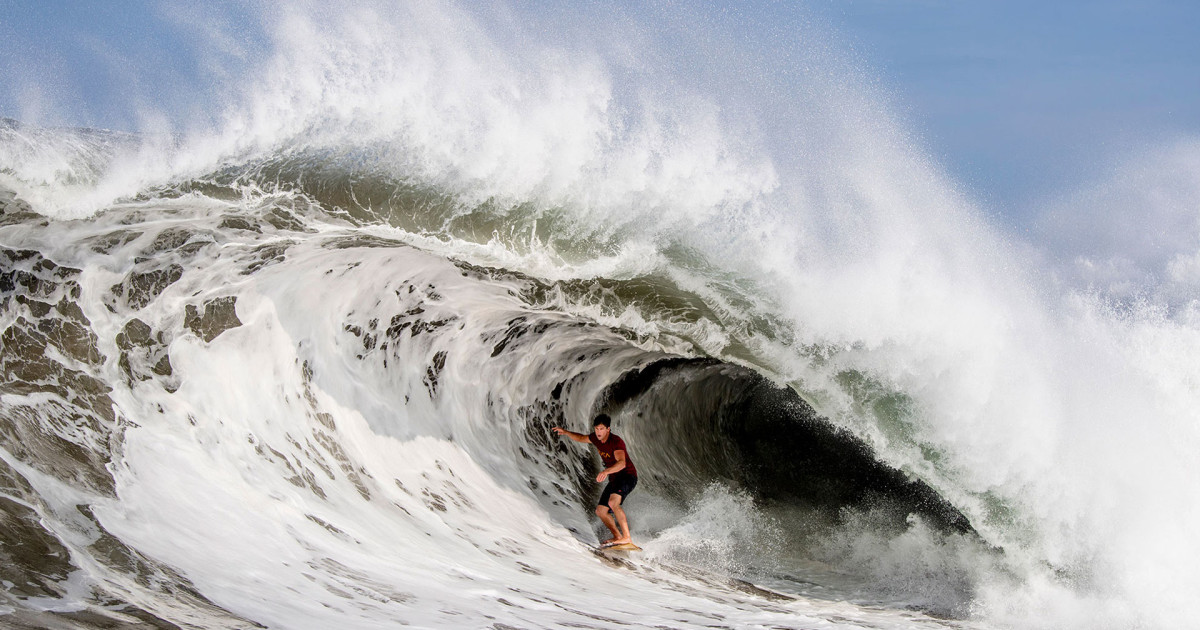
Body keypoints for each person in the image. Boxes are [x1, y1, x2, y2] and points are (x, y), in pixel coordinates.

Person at [552, 414, 638, 547]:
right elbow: (581, 437)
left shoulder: (616, 442)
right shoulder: (596, 438)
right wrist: (566, 432)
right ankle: (617, 536)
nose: (598, 432)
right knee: (601, 511)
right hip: (615, 479)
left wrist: (606, 471)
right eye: (597, 429)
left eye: (602, 429)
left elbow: (622, 463)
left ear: (608, 429)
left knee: (613, 503)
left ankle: (627, 538)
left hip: (627, 476)